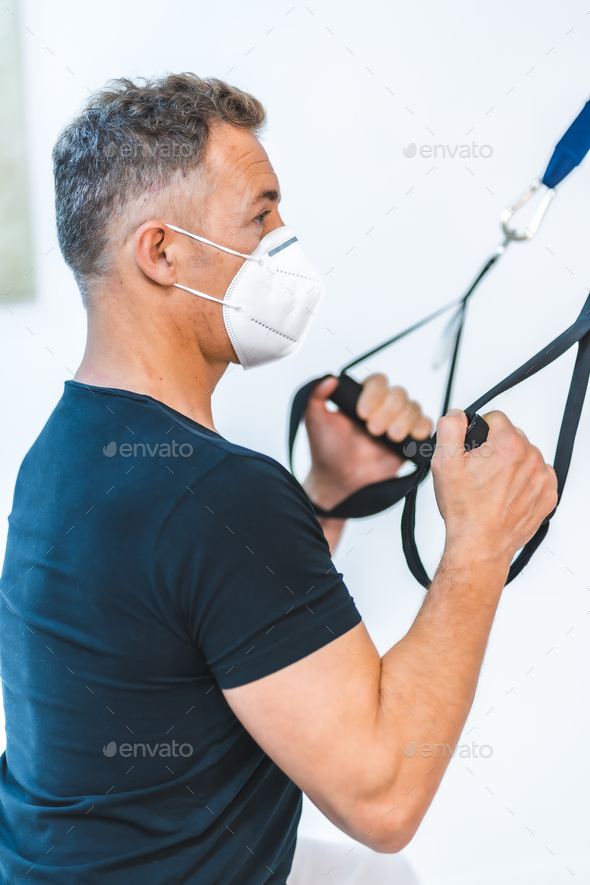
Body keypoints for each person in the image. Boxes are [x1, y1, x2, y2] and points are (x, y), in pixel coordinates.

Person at [0, 74, 557, 884]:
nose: (283, 244)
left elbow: (210, 617)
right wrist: (480, 543)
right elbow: (385, 797)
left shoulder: (68, 448)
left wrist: (327, 494)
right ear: (162, 253)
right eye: (259, 217)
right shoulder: (216, 493)